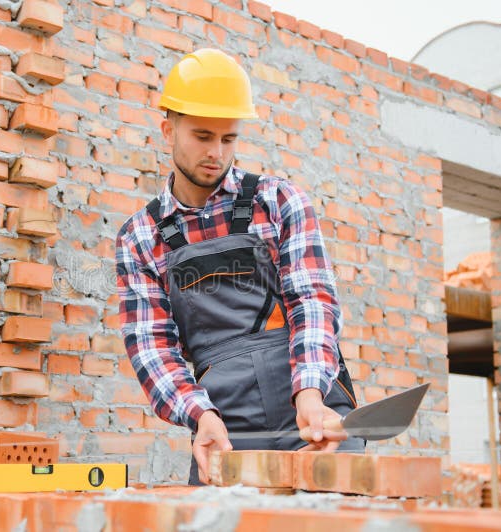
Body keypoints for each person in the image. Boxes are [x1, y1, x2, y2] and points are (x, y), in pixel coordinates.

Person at [116, 48, 364, 485]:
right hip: (225, 430)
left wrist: (309, 393)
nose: (216, 152)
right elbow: (152, 348)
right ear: (168, 130)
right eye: (202, 136)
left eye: (228, 139)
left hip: (313, 413)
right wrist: (201, 415)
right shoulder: (140, 236)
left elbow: (312, 302)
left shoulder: (279, 202)